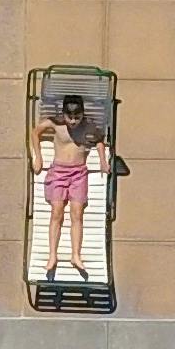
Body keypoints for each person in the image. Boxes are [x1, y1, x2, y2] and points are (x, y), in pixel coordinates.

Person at [31, 91, 105, 282]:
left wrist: (103, 161)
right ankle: (52, 255)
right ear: (63, 114)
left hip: (79, 173)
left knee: (77, 213)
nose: (73, 121)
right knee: (57, 212)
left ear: (83, 114)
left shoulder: (88, 125)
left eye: (77, 117)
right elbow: (35, 132)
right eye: (69, 117)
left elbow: (99, 140)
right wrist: (37, 156)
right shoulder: (56, 123)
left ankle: (75, 255)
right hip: (58, 172)